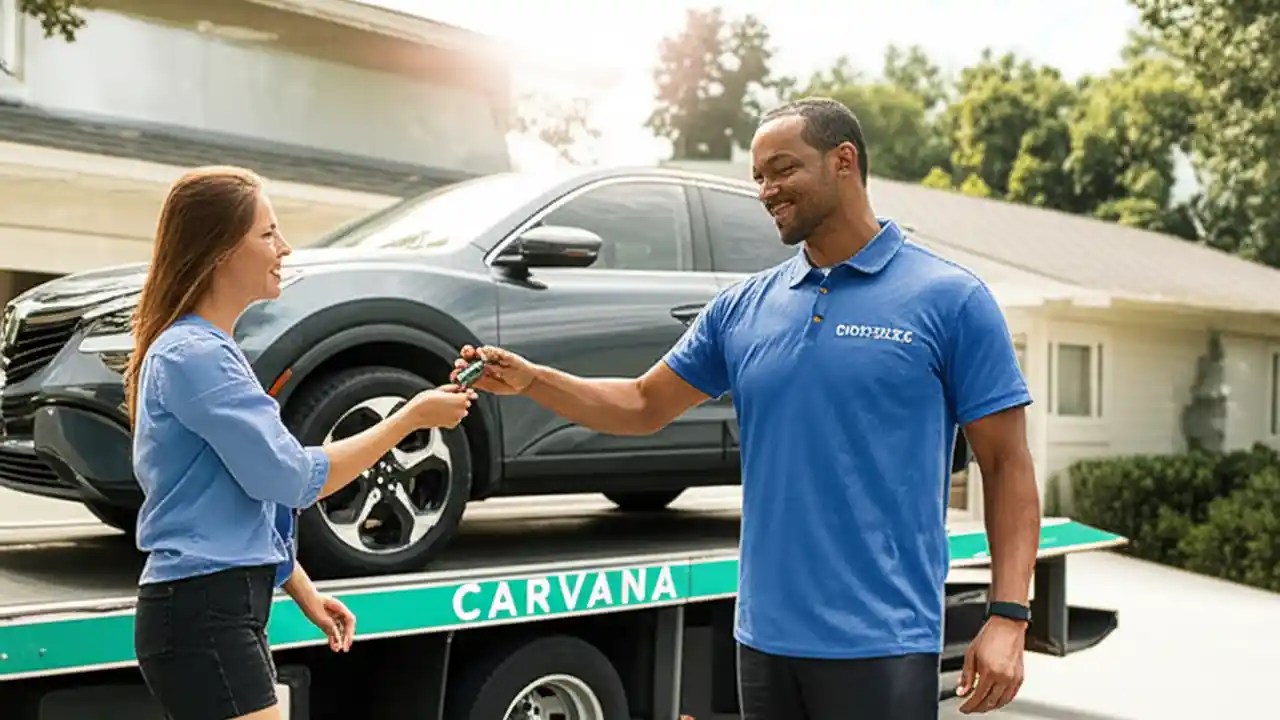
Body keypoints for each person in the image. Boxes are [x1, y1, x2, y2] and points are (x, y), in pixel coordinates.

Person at [452, 97, 1041, 719]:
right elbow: (642, 404)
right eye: (758, 176)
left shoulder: (950, 299)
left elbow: (1006, 465)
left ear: (844, 161)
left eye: (783, 168)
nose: (767, 190)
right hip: (763, 639)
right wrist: (535, 380)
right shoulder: (743, 308)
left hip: (883, 640)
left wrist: (1008, 614)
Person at [125, 165, 476, 720]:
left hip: (214, 608)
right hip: (205, 613)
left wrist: (304, 592)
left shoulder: (203, 351)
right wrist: (409, 418)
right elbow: (289, 478)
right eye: (267, 233)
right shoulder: (195, 356)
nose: (284, 247)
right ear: (218, 250)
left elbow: (244, 498)